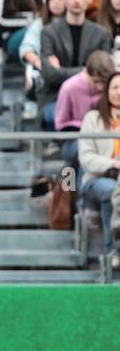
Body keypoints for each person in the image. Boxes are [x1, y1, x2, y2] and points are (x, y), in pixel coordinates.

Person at [39, 0, 111, 124]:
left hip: (93, 100)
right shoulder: (49, 32)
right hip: (55, 98)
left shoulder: (101, 34)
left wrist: (62, 71)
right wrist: (86, 72)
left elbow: (104, 75)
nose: (76, 0)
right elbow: (50, 76)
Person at [77, 65, 120, 252]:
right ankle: (113, 252)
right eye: (115, 87)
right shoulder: (92, 119)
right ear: (107, 91)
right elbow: (85, 158)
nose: (119, 92)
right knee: (113, 192)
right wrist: (113, 163)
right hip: (97, 178)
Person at [57, 48, 112, 166]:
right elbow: (60, 124)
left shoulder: (115, 85)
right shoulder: (69, 88)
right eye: (96, 81)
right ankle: (85, 183)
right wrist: (88, 126)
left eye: (104, 82)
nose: (101, 87)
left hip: (108, 136)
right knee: (85, 150)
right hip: (76, 138)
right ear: (87, 73)